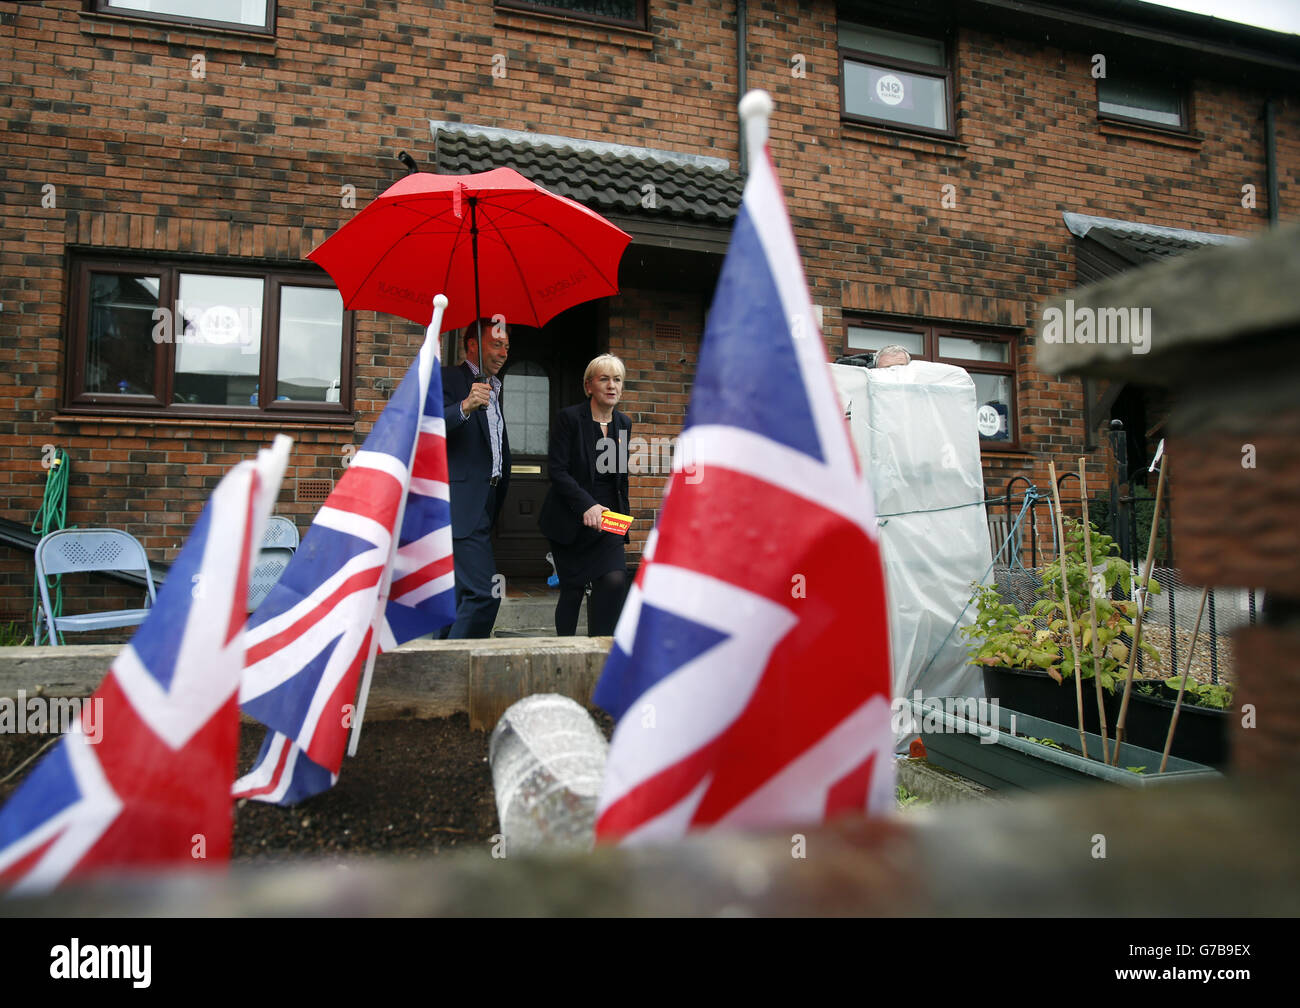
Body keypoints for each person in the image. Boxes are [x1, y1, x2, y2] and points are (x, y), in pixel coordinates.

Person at [538, 354, 632, 637]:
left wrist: (621, 521)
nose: (611, 385)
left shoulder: (623, 424)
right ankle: (565, 654)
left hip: (608, 520)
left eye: (617, 380)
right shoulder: (569, 419)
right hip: (569, 517)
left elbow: (619, 478)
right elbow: (557, 471)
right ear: (589, 386)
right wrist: (586, 506)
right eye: (604, 379)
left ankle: (599, 650)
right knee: (572, 592)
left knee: (615, 581)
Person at [441, 319, 511, 638]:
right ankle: (456, 671)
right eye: (496, 344)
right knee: (484, 596)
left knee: (456, 601)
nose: (503, 352)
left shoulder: (495, 388)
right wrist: (465, 406)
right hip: (459, 504)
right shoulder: (448, 379)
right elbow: (424, 428)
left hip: (486, 504)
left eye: (507, 346)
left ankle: (435, 673)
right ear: (473, 345)